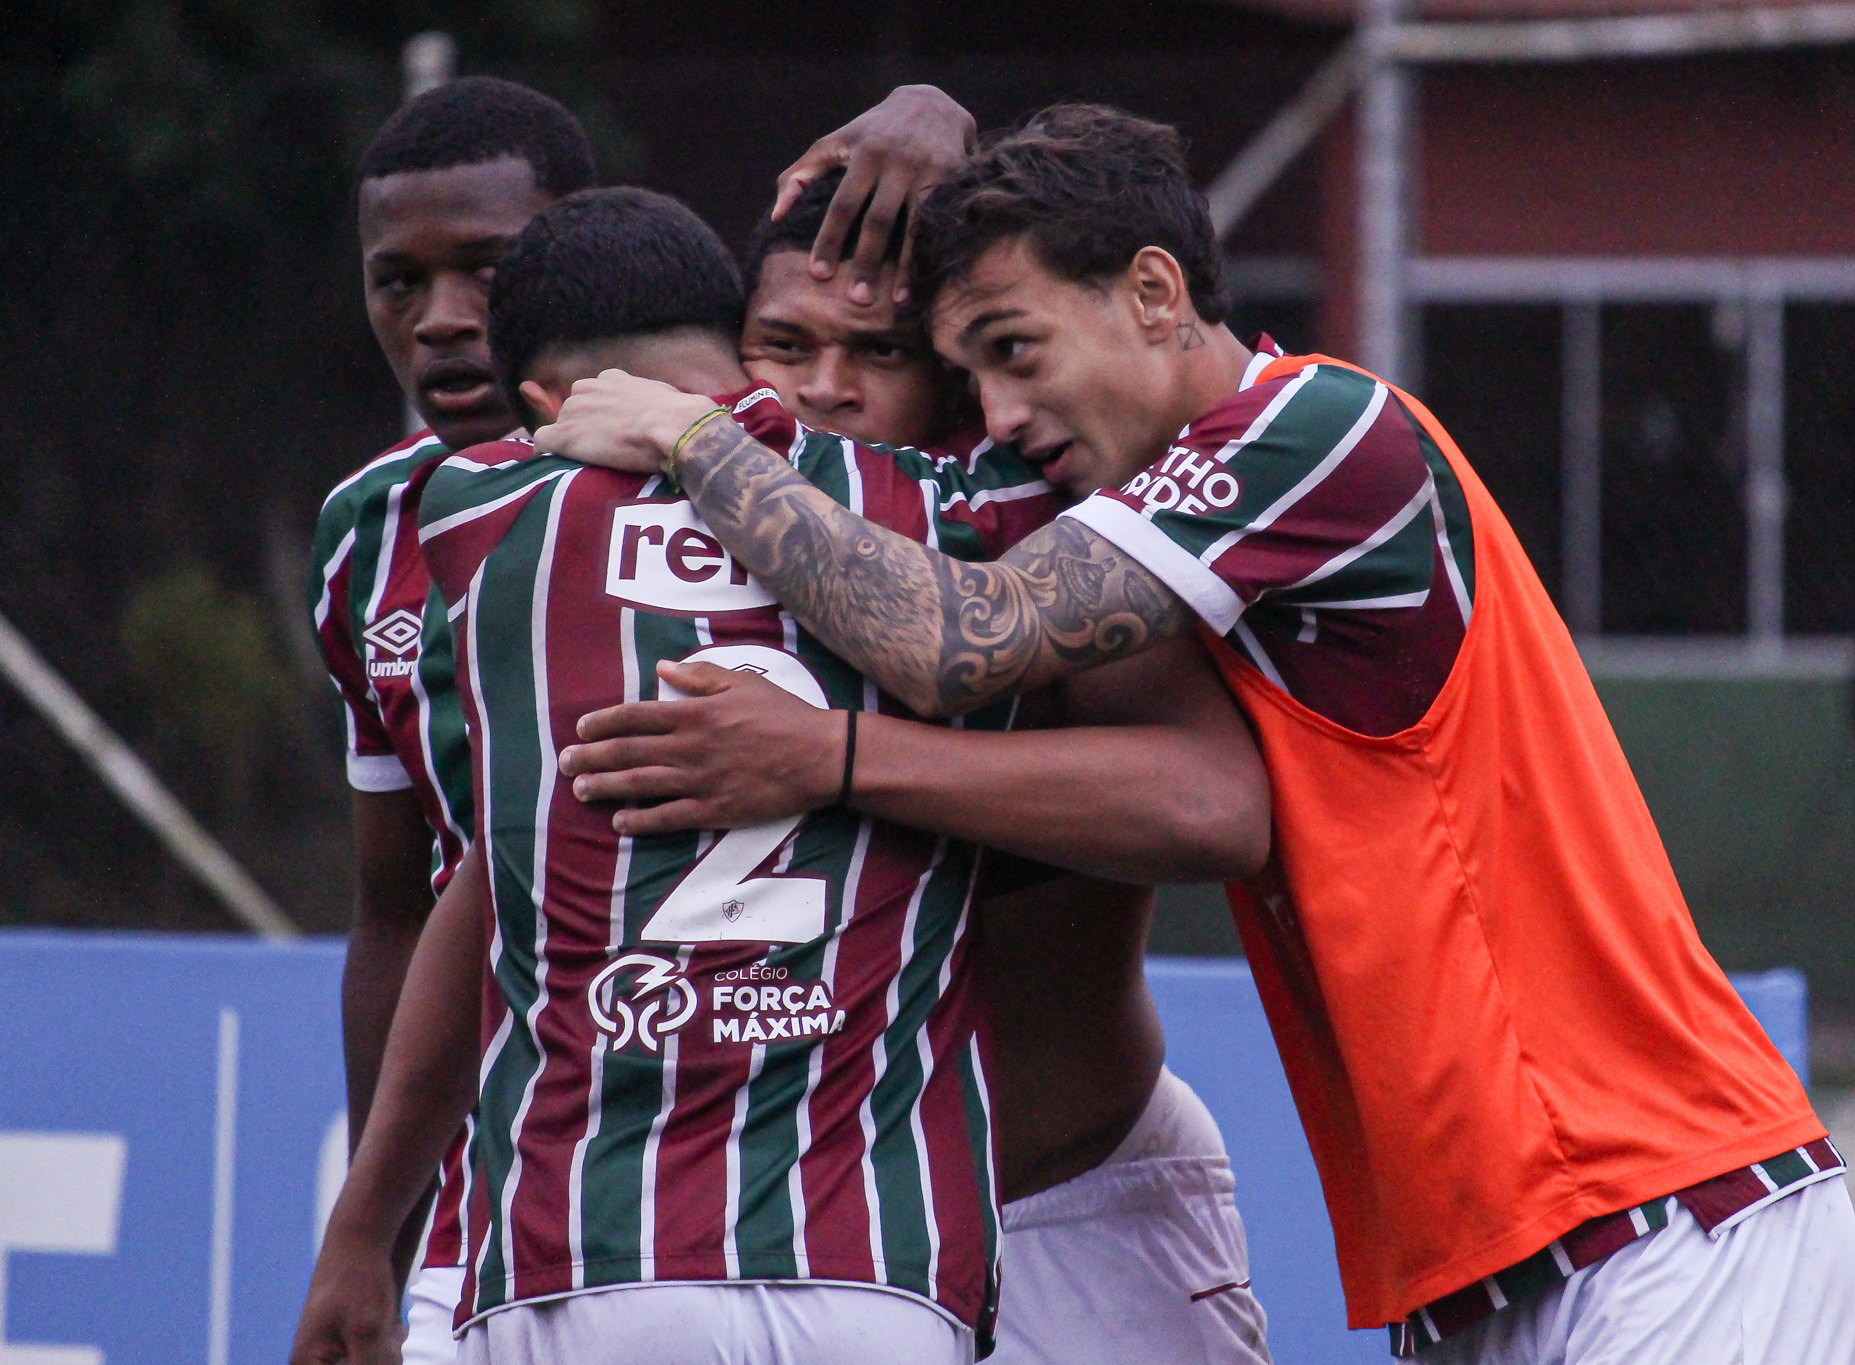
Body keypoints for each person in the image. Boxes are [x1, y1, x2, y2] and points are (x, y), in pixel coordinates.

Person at [534, 102, 1855, 1363]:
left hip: (1660, 1208)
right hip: (1496, 1265)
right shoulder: (1164, 494)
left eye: (1015, 352)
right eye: (967, 374)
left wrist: (696, 436)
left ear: (1158, 297)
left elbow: (959, 637)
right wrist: (934, 107)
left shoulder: (1318, 429)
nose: (998, 416)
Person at [292, 186, 1270, 1365]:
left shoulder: (1019, 533)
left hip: (1064, 1199)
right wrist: (368, 1227)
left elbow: (1208, 808)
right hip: (843, 1247)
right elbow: (493, 881)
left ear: (956, 381)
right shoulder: (581, 555)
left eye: (880, 352)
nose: (821, 390)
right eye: (785, 348)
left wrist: (835, 761)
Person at [309, 75, 595, 1365]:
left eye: (485, 269)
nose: (439, 323)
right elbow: (391, 913)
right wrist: (371, 1232)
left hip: (739, 1140)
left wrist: (926, 107)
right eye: (397, 283)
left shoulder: (745, 481)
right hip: (478, 1183)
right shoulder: (368, 533)